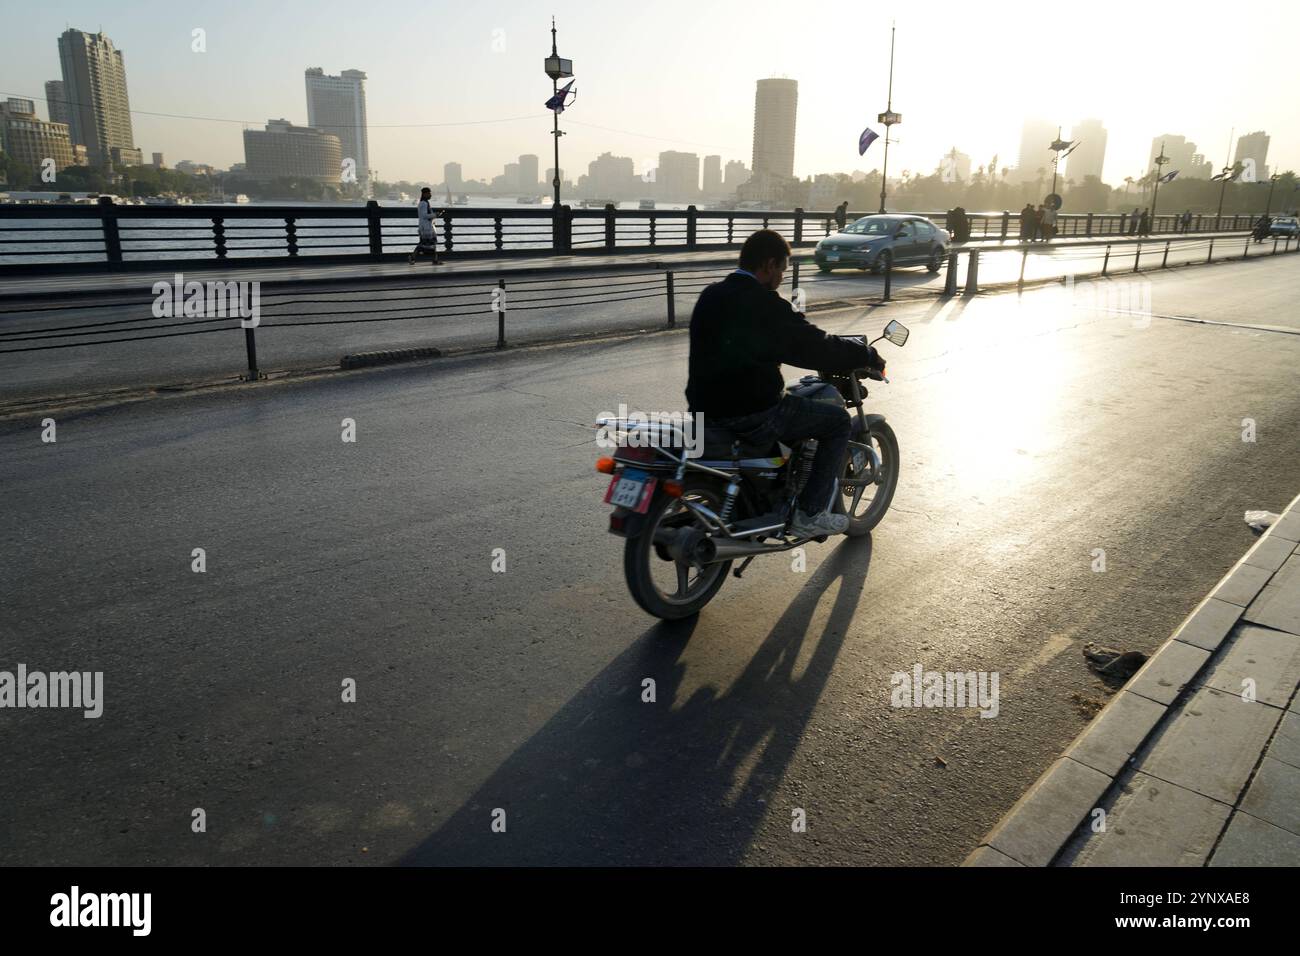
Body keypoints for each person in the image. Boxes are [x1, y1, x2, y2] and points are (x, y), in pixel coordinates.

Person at [685, 229, 886, 538]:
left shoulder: (712, 294)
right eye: (781, 269)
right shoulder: (765, 305)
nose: (781, 278)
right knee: (836, 422)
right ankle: (809, 513)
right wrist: (866, 353)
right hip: (752, 413)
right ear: (768, 265)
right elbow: (813, 346)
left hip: (703, 408)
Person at [408, 187, 443, 265]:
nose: (430, 195)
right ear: (424, 194)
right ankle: (412, 257)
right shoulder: (424, 203)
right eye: (429, 193)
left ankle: (434, 259)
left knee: (431, 244)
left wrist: (435, 214)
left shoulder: (424, 203)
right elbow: (424, 215)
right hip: (426, 228)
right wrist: (435, 214)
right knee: (423, 244)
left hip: (426, 227)